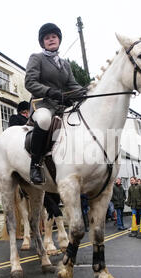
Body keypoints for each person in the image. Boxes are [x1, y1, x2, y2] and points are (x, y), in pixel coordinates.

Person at [25, 23, 86, 185]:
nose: (51, 40)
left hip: (61, 105)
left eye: (54, 37)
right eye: (47, 38)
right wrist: (49, 92)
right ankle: (35, 164)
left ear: (59, 39)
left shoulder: (65, 63)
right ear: (42, 42)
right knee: (44, 120)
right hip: (42, 103)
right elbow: (30, 82)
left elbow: (72, 85)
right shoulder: (36, 58)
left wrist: (87, 92)